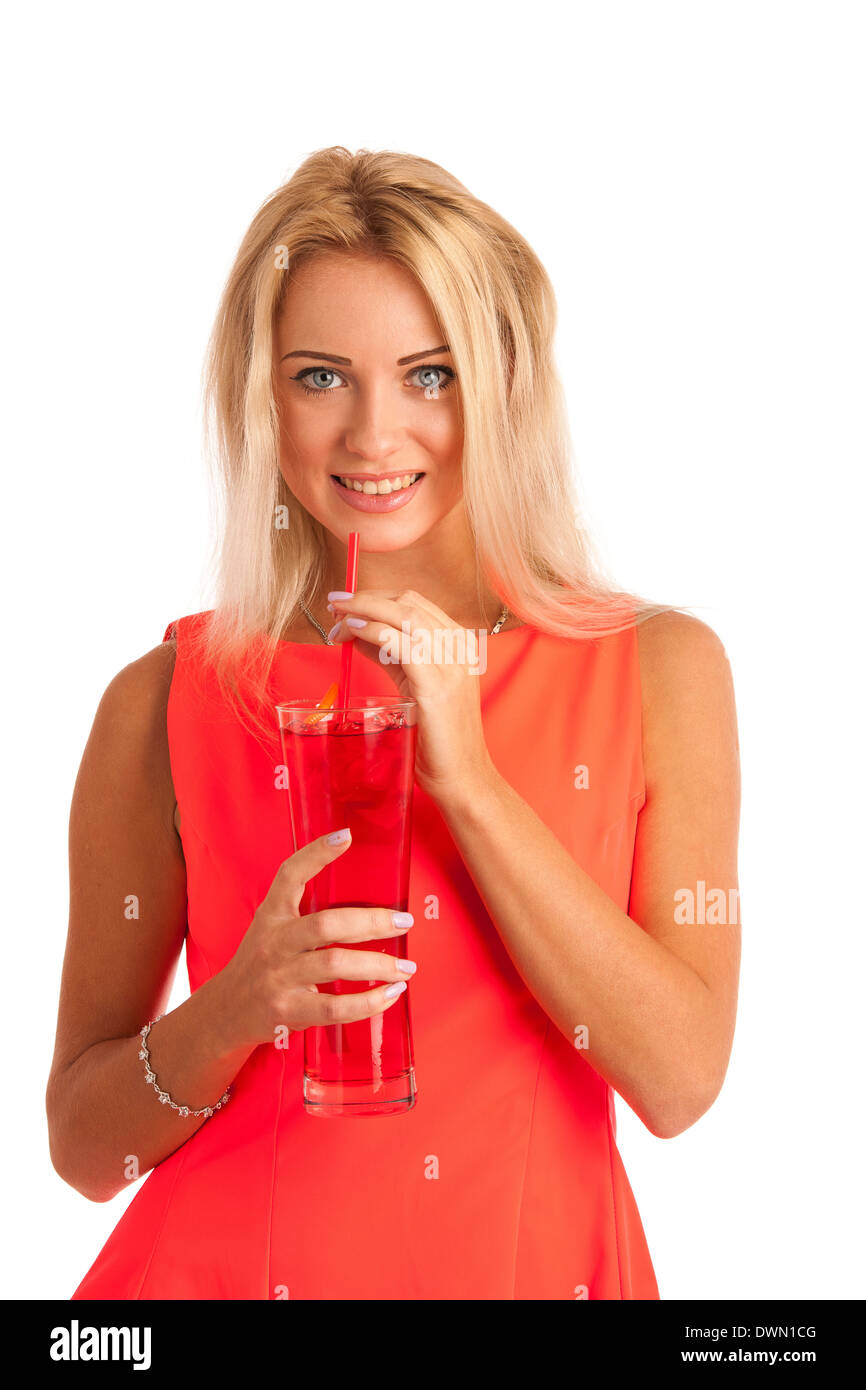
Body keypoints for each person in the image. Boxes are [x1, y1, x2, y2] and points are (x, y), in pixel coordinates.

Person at [47, 146, 741, 1300]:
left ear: (502, 380)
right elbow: (84, 1149)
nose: (374, 436)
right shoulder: (161, 702)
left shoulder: (655, 671)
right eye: (321, 377)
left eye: (430, 375)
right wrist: (235, 1008)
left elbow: (676, 1080)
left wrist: (466, 777)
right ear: (260, 392)